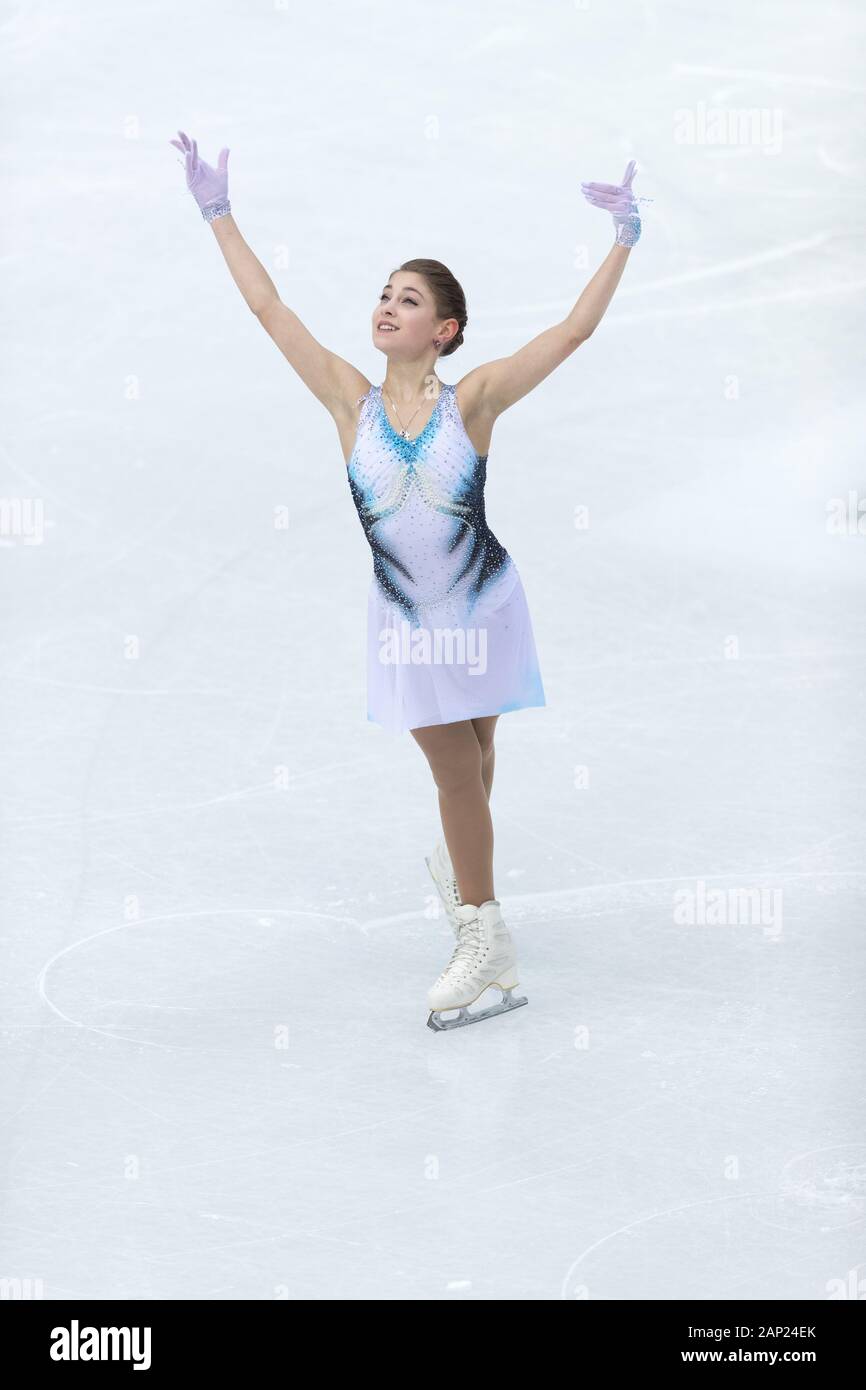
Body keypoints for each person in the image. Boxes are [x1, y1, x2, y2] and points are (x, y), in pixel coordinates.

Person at [169, 131, 646, 1030]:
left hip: (489, 602)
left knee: (478, 756)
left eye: (410, 299)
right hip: (410, 622)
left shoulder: (476, 401)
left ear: (446, 330)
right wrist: (218, 214)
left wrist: (622, 238)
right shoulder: (346, 401)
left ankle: (466, 886)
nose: (388, 307)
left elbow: (574, 332)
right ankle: (483, 929)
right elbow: (272, 311)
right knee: (458, 770)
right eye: (386, 294)